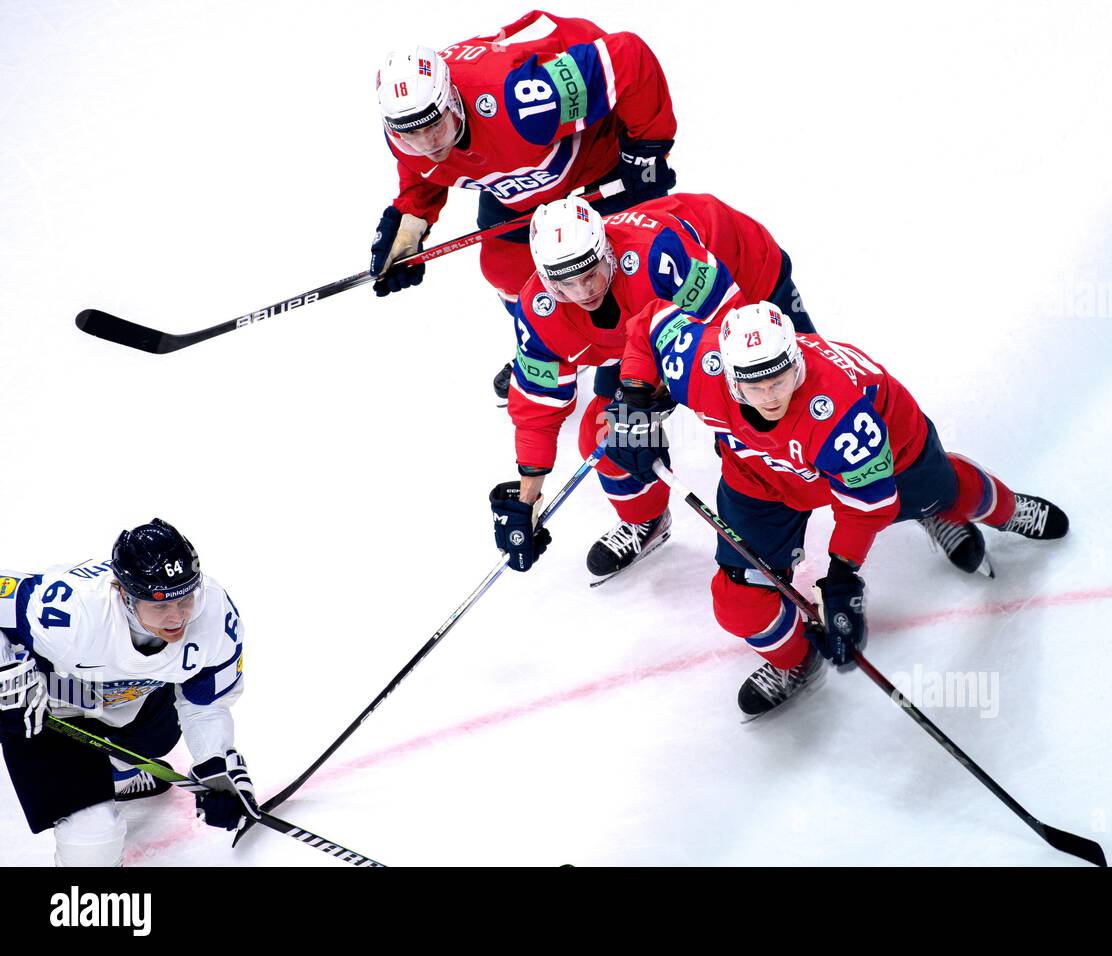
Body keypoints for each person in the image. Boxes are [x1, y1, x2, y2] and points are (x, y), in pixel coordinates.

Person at [606, 302, 1069, 718]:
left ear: (797, 364)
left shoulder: (839, 413)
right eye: (754, 384)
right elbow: (649, 323)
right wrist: (634, 399)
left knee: (946, 495)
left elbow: (867, 504)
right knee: (738, 599)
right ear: (728, 376)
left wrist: (843, 577)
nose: (770, 396)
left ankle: (1004, 510)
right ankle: (795, 661)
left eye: (780, 379)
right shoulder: (699, 362)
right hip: (762, 478)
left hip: (892, 451)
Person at [489, 192, 815, 579]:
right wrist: (527, 503)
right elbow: (537, 410)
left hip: (742, 277)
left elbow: (722, 335)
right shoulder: (537, 311)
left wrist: (649, 392)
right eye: (566, 285)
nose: (584, 292)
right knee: (609, 437)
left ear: (607, 250)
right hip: (638, 335)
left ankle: (892, 468)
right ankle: (647, 520)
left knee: (781, 399)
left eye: (590, 273)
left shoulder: (656, 253)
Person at [368, 10, 678, 399]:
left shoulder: (525, 101)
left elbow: (628, 60)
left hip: (596, 149)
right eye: (412, 136)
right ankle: (556, 343)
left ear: (453, 102)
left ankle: (638, 353)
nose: (428, 144)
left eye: (436, 127)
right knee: (504, 268)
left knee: (621, 262)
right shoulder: (407, 132)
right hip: (517, 177)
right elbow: (424, 173)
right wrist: (411, 222)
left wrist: (646, 150)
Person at [0, 519, 256, 865]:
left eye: (185, 599)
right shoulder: (72, 614)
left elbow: (206, 705)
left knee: (163, 726)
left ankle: (116, 773)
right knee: (93, 837)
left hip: (131, 709)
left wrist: (216, 765)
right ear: (123, 592)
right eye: (160, 605)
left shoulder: (214, 614)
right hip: (48, 715)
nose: (177, 616)